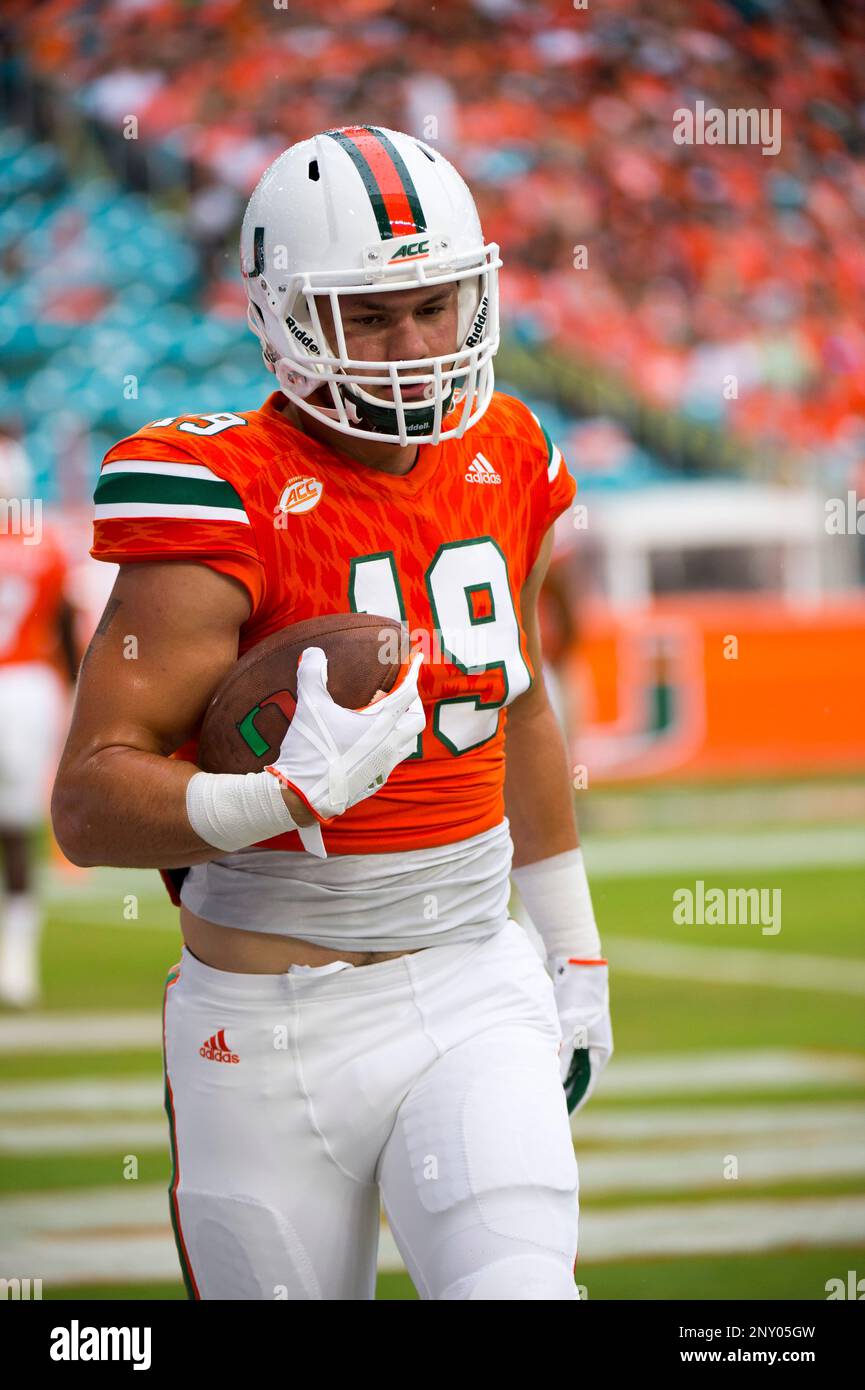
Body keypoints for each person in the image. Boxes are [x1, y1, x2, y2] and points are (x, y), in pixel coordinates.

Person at [51, 125, 612, 1301]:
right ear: (284, 317)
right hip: (263, 1030)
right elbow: (91, 802)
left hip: (472, 985)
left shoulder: (509, 448)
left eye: (435, 303)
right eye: (368, 314)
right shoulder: (215, 491)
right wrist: (278, 798)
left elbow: (521, 704)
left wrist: (573, 950)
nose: (413, 346)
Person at [0, 431, 78, 1007]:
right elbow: (67, 627)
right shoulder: (45, 541)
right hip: (28, 688)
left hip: (22, 680)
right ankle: (18, 961)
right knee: (17, 830)